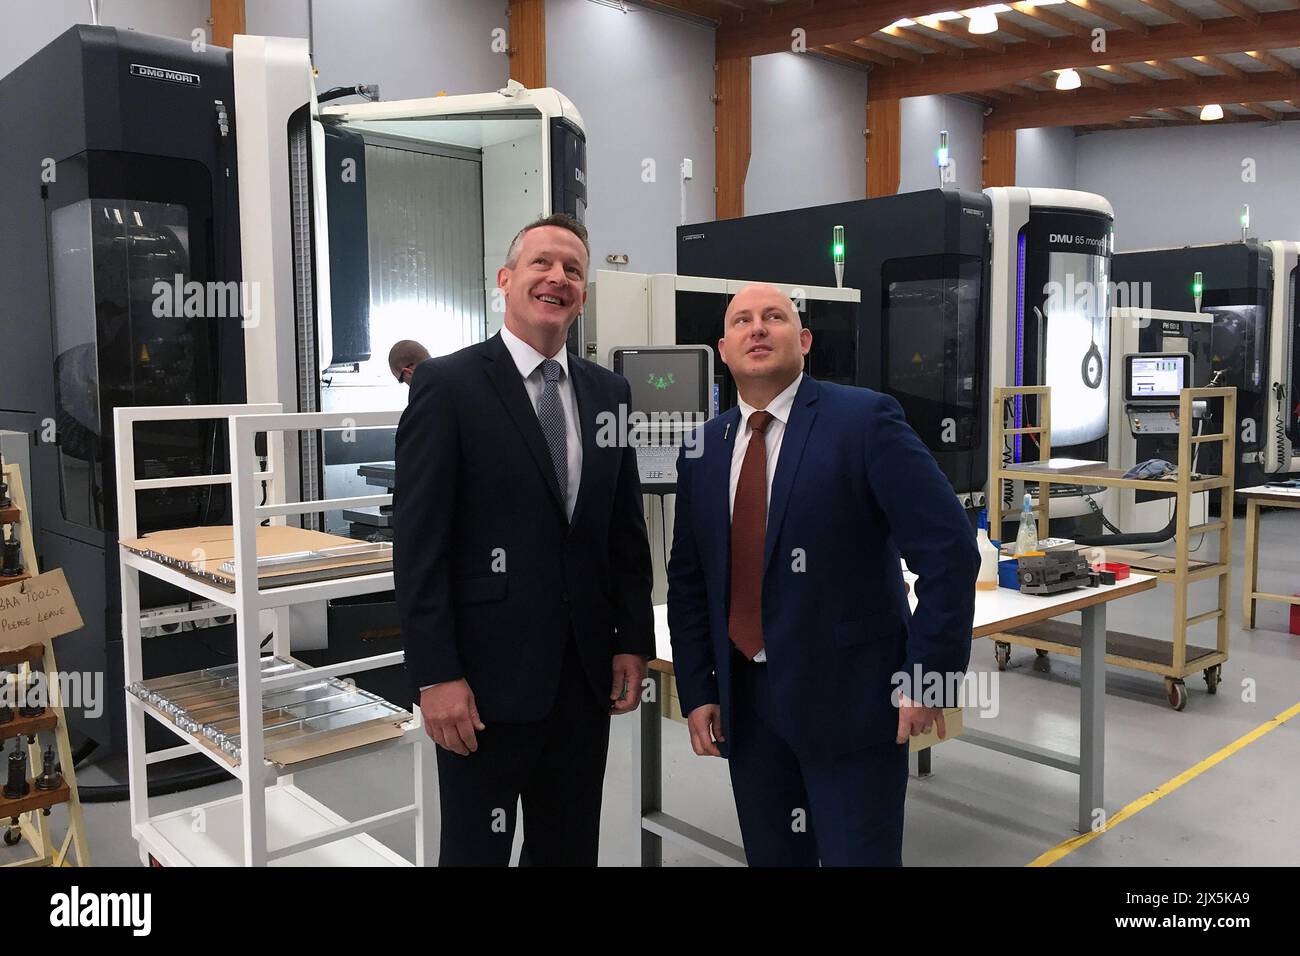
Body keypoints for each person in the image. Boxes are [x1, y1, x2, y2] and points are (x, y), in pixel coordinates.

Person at [667, 283, 979, 866]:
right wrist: (699, 690)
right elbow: (688, 579)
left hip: (855, 705)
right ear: (724, 349)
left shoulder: (863, 421)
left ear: (804, 341)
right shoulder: (704, 448)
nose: (757, 329)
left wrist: (929, 677)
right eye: (742, 321)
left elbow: (950, 551)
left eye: (774, 317)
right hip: (748, 708)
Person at [393, 213, 653, 866]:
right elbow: (419, 546)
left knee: (567, 850)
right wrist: (436, 674)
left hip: (582, 680)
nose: (557, 277)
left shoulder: (610, 394)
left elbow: (622, 530)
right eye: (542, 263)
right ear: (506, 281)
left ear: (582, 296)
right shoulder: (447, 386)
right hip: (481, 687)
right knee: (476, 852)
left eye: (572, 269)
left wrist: (631, 640)